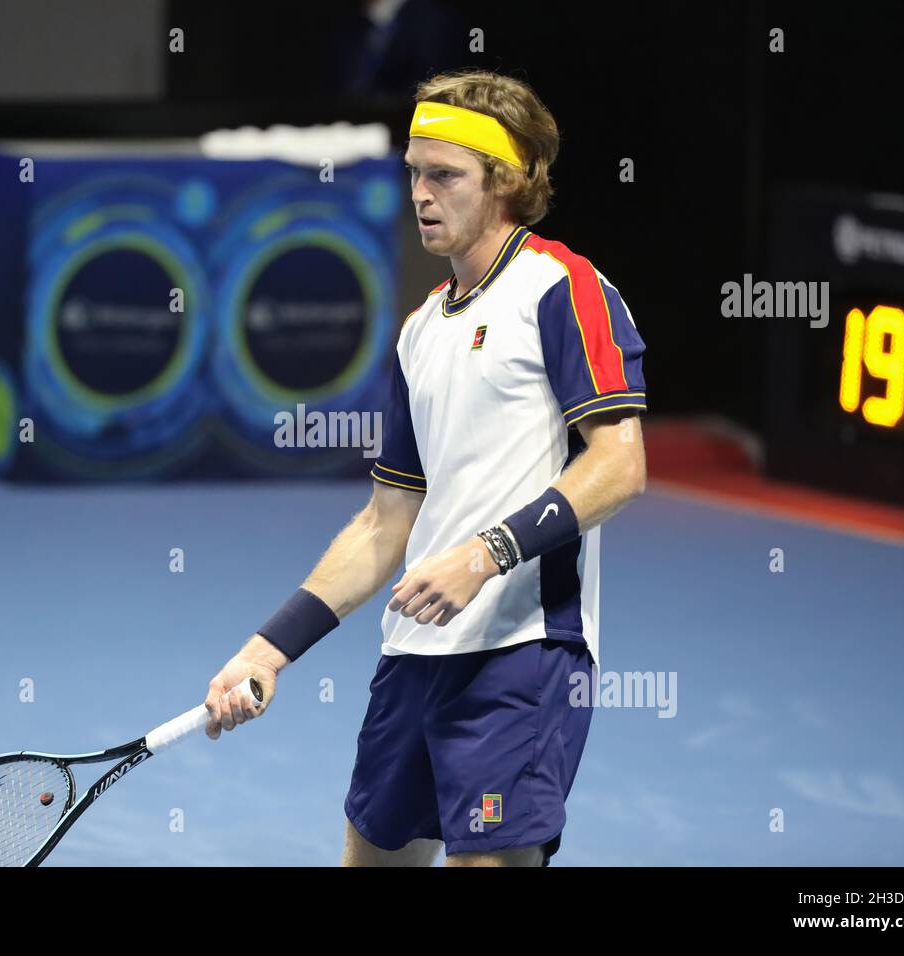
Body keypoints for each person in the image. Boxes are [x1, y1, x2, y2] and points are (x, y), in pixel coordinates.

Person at [204, 69, 648, 867]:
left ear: (505, 182)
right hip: (413, 655)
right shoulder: (418, 332)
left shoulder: (563, 289)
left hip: (523, 651)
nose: (420, 192)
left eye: (444, 175)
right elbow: (385, 524)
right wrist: (267, 650)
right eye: (413, 170)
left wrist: (486, 555)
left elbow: (619, 465)